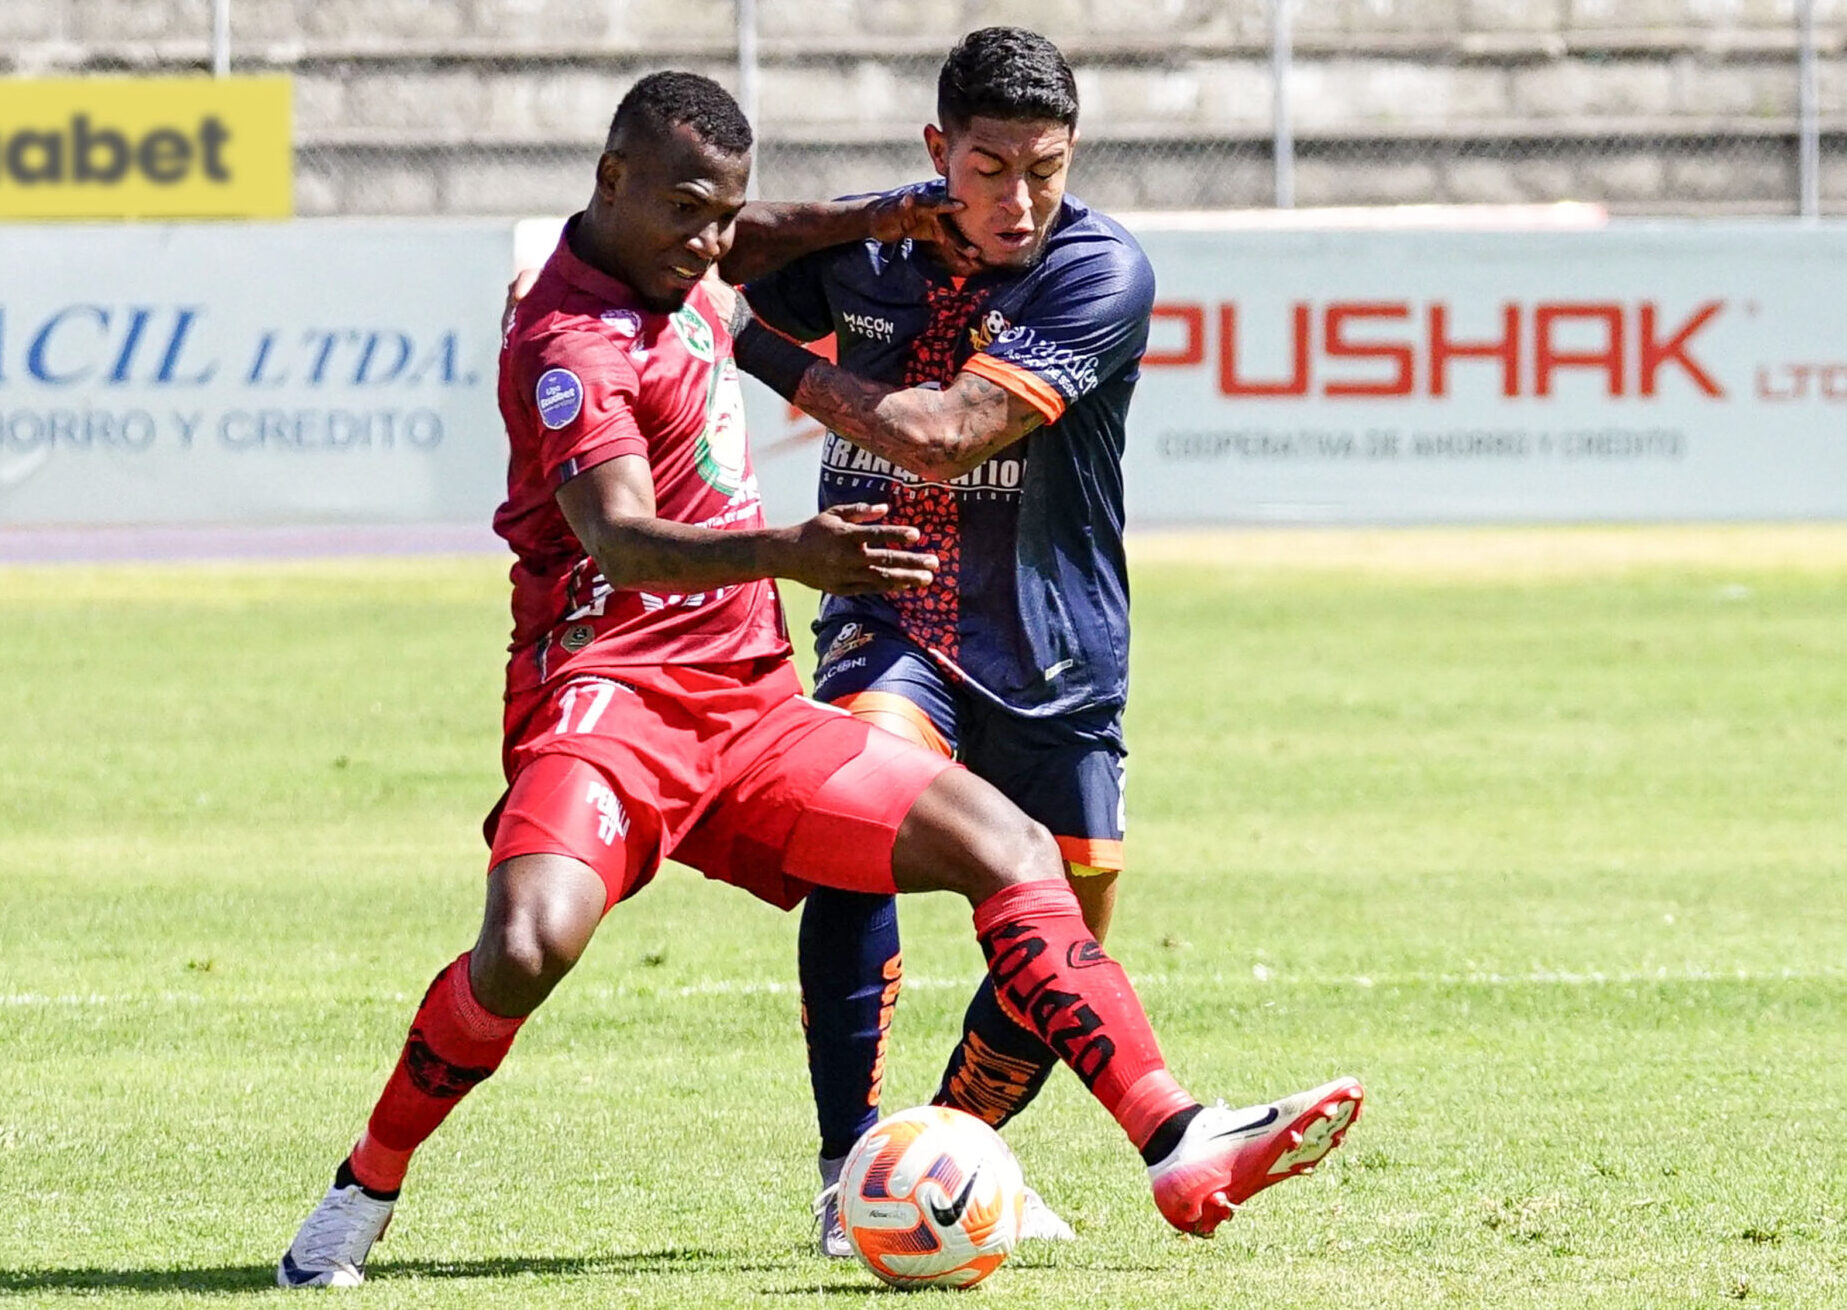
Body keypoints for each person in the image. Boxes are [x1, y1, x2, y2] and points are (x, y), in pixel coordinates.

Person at [275, 70, 1362, 1289]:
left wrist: (881, 212)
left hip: (749, 703)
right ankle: (362, 1185)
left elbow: (760, 240)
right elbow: (620, 539)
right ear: (610, 181)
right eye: (688, 213)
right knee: (525, 946)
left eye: (723, 219)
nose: (710, 243)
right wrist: (794, 551)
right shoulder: (566, 337)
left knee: (1011, 848)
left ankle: (1173, 1137)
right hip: (609, 698)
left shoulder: (689, 262)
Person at [727, 27, 1182, 1252]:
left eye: (1045, 166)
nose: (1019, 199)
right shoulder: (880, 242)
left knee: (1062, 925)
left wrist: (759, 347)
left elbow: (936, 434)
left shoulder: (1099, 271)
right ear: (940, 152)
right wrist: (861, 216)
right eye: (989, 168)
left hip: (1054, 642)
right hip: (894, 609)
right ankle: (843, 1168)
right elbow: (730, 243)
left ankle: (941, 1151)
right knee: (854, 834)